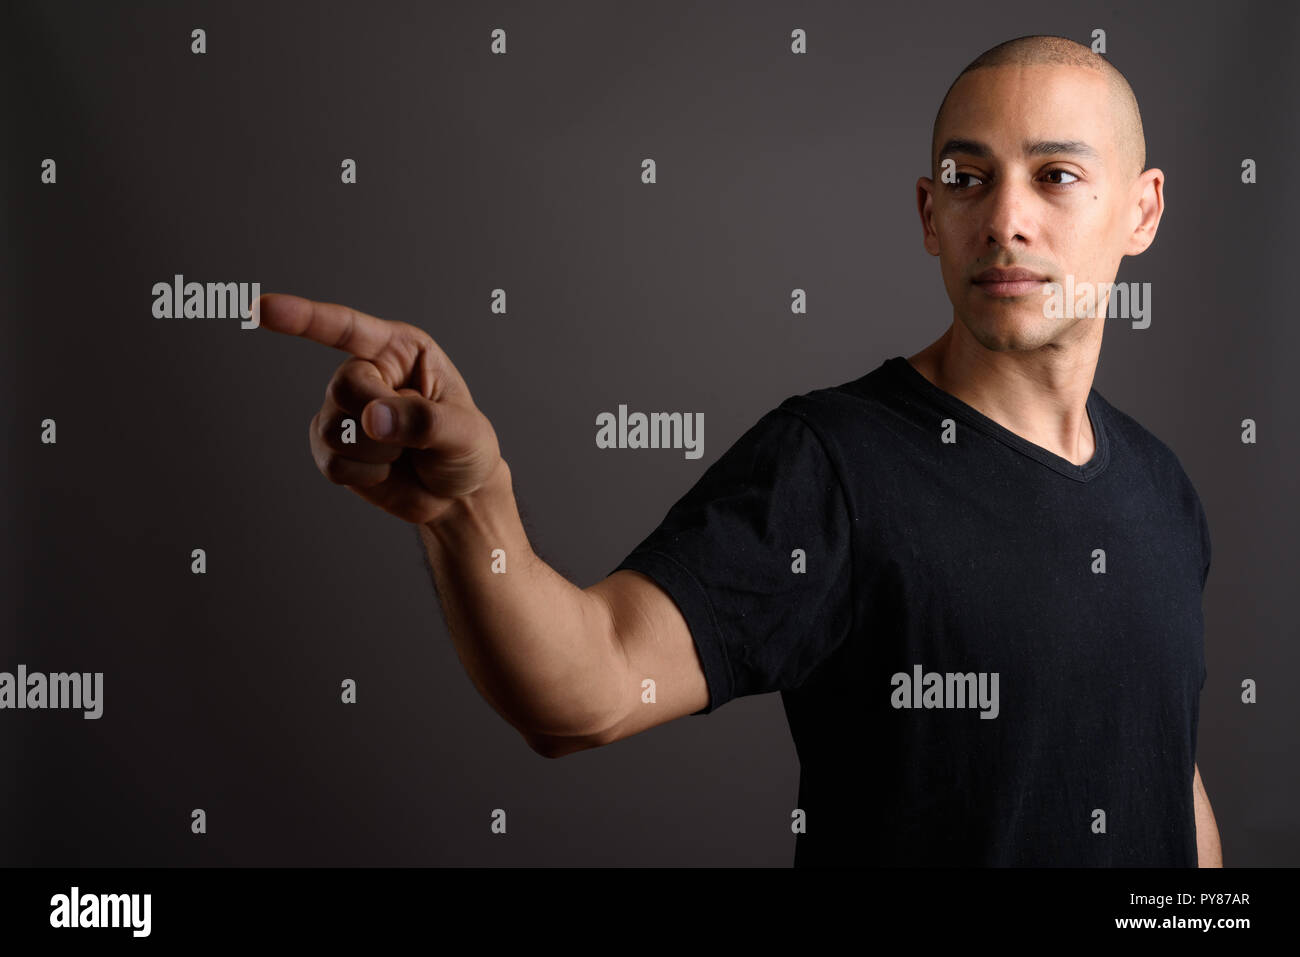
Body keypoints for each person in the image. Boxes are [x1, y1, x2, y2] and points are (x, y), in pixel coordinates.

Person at [255, 33, 1221, 867]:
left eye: (1056, 176)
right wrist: (467, 509)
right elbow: (584, 690)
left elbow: (1164, 777)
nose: (1005, 218)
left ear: (1141, 211)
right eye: (970, 179)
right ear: (931, 214)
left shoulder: (1162, 491)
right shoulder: (835, 466)